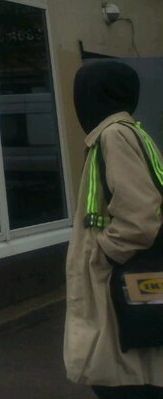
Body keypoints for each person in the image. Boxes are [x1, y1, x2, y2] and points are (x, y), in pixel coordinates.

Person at [65, 61, 163, 397]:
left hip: (114, 275)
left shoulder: (113, 136)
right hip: (128, 273)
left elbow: (139, 218)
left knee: (119, 378)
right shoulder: (131, 132)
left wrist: (103, 252)